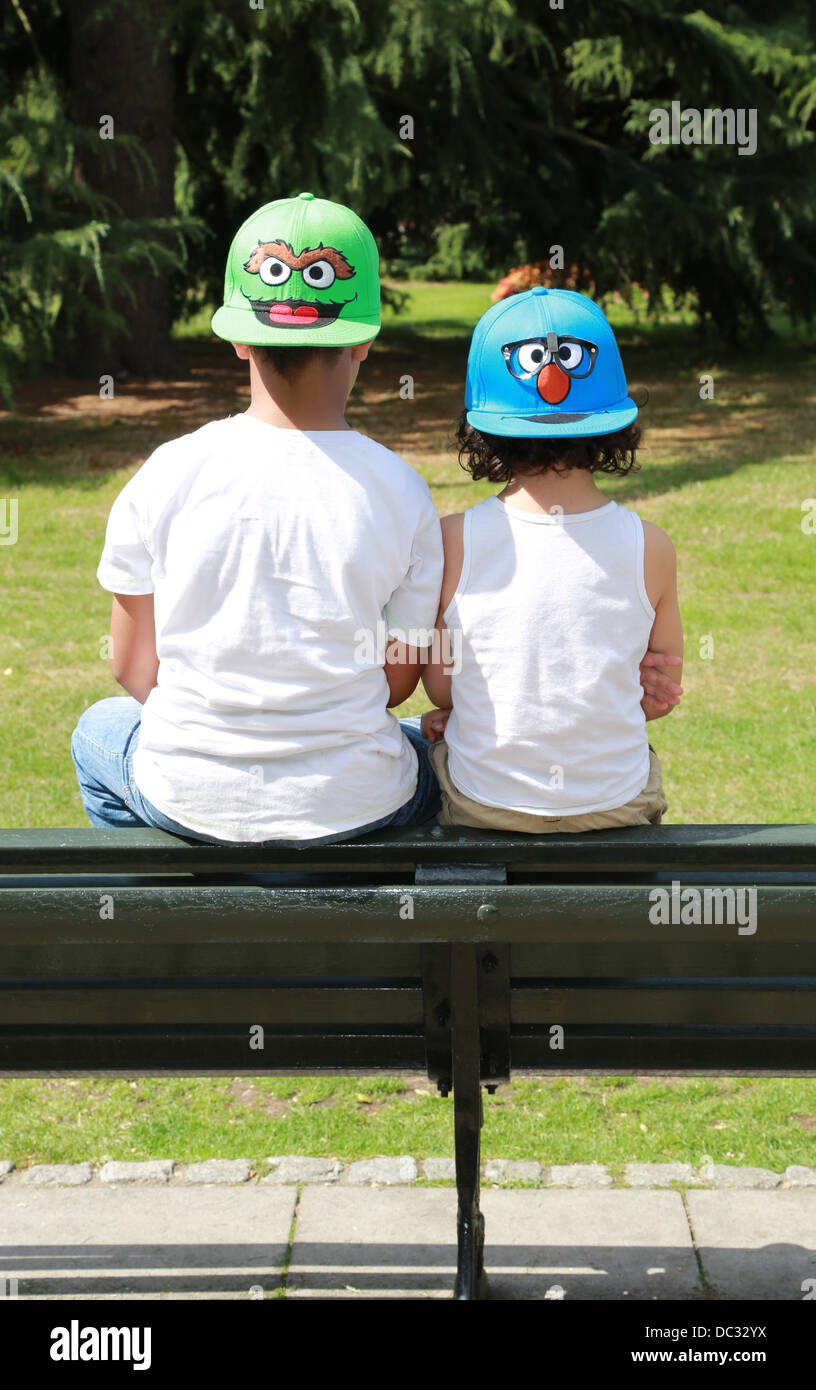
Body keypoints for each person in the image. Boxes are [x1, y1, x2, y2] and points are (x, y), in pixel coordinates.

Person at [71, 193, 443, 845]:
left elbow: (133, 670)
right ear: (363, 341)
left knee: (97, 730)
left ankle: (164, 902)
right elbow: (396, 684)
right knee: (426, 755)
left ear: (238, 336)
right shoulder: (404, 492)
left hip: (190, 795)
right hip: (352, 802)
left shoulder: (167, 471)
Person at [420, 286, 683, 832]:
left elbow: (445, 690)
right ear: (613, 417)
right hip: (616, 810)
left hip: (485, 808)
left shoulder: (453, 541)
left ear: (483, 423)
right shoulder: (651, 546)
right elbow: (658, 686)